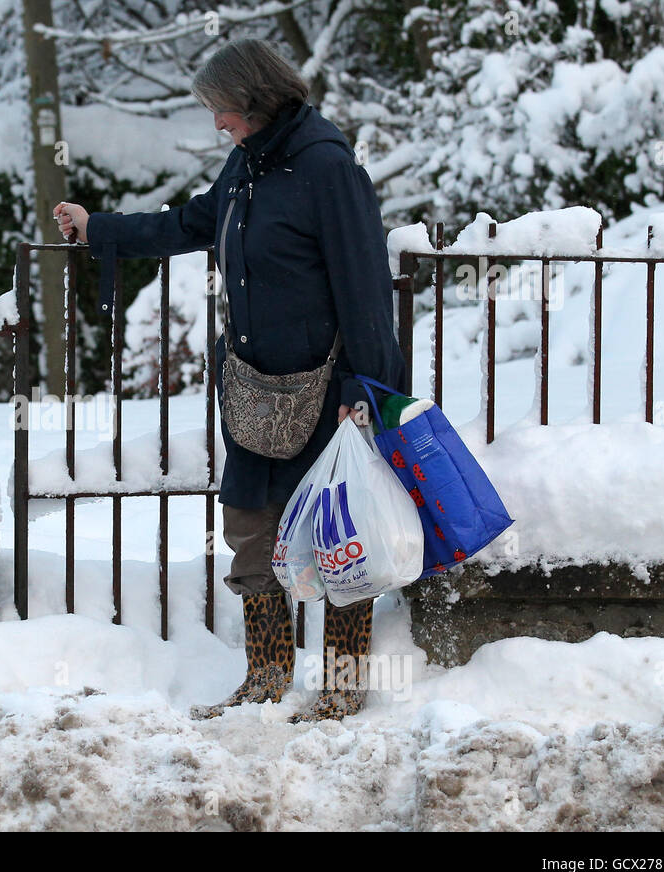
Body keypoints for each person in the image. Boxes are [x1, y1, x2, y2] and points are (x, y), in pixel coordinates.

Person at [52, 37, 407, 723]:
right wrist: (101, 229)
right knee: (251, 534)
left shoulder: (326, 169)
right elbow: (191, 222)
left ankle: (340, 687)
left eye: (221, 110)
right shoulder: (247, 166)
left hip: (327, 392)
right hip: (252, 394)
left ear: (254, 99)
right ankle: (266, 680)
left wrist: (367, 392)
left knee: (342, 537)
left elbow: (366, 290)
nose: (217, 123)